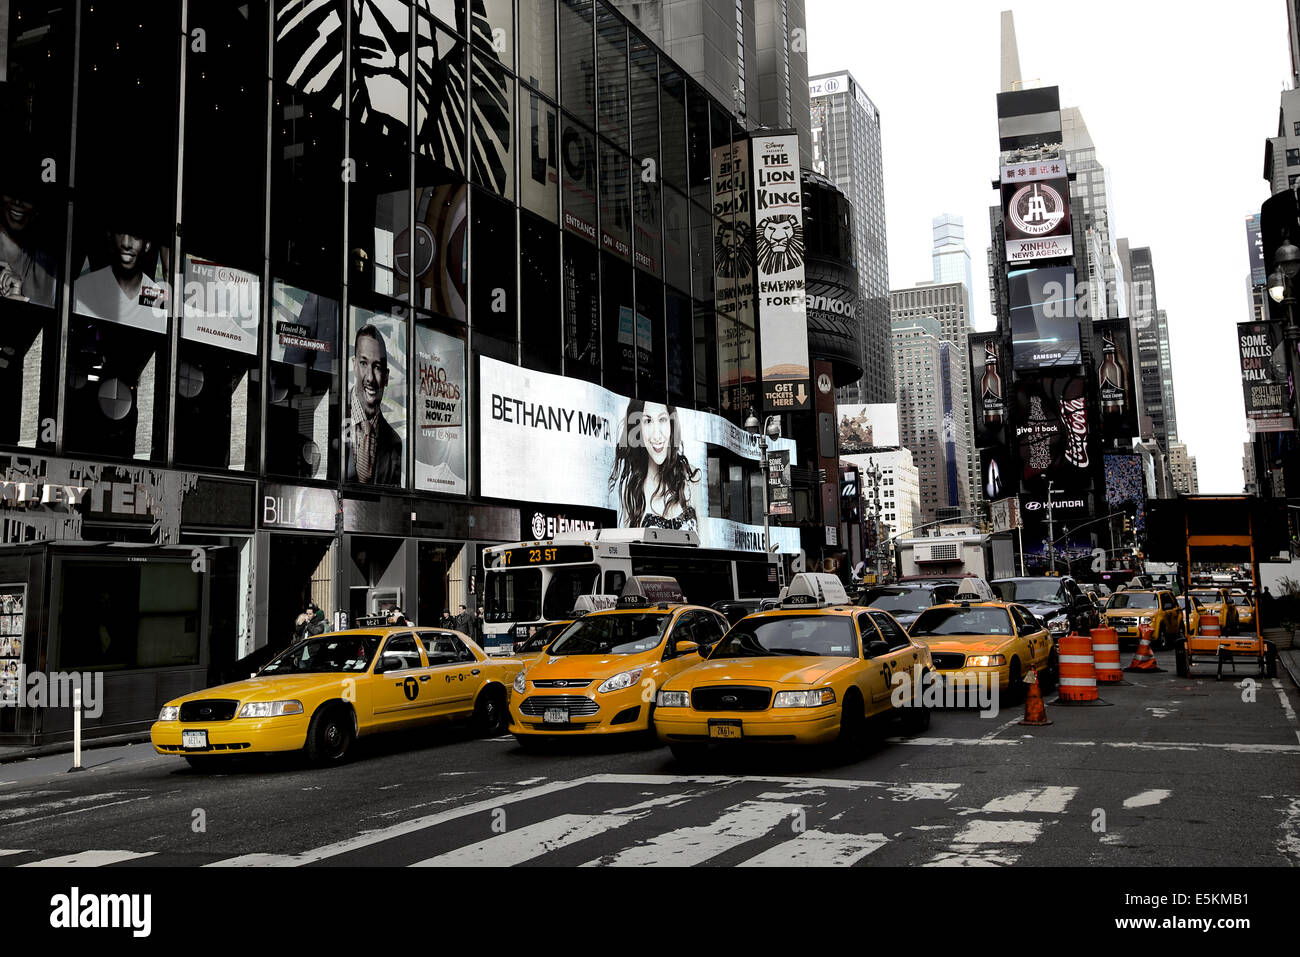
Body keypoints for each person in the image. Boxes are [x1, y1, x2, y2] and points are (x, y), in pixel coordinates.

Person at [608, 399, 701, 532]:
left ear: (671, 423)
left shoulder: (692, 477)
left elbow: (706, 545)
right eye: (648, 421)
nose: (657, 435)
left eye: (662, 419)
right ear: (638, 427)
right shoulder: (633, 491)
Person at [72, 210, 168, 334]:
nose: (126, 243)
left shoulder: (155, 298)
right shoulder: (83, 287)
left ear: (147, 244)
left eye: (136, 235)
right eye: (120, 233)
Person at [344, 323, 403, 486]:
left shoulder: (394, 443)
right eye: (363, 363)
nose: (370, 378)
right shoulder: (330, 417)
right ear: (354, 365)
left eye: (377, 367)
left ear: (386, 376)